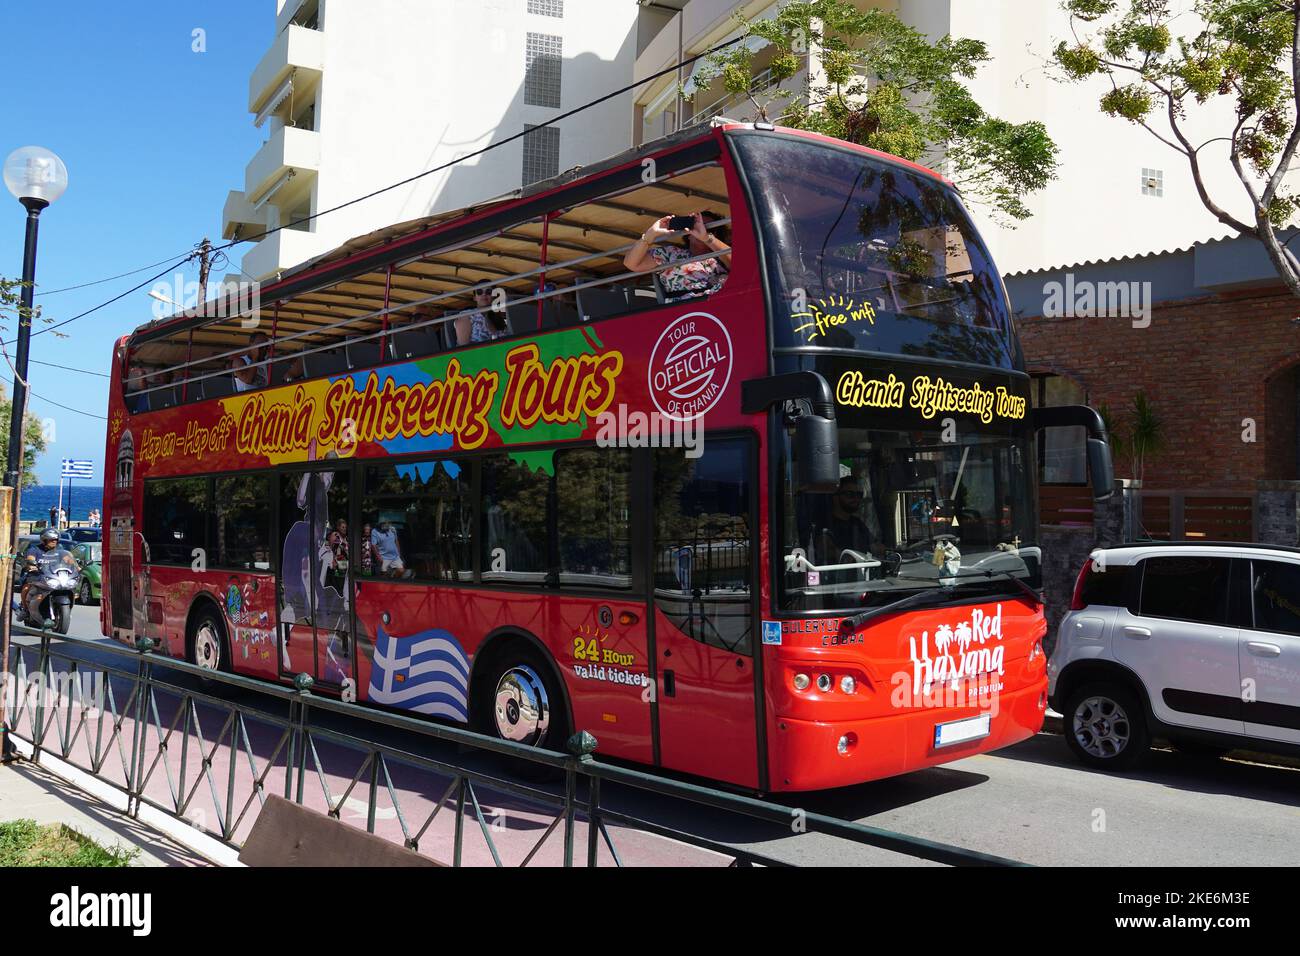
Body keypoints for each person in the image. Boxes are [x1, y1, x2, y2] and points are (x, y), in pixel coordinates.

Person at [624, 211, 731, 302]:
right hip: (683, 313)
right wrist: (650, 235)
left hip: (721, 305)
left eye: (709, 229)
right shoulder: (672, 253)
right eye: (695, 226)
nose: (701, 230)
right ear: (688, 233)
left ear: (717, 235)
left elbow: (740, 266)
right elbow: (631, 264)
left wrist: (707, 238)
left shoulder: (722, 254)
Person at [19, 528, 77, 624]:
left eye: (56, 540)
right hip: (37, 576)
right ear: (44, 540)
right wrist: (31, 565)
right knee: (26, 587)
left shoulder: (59, 551)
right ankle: (25, 609)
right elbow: (30, 558)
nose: (54, 542)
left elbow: (69, 561)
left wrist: (76, 567)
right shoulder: (34, 550)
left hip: (53, 577)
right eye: (51, 540)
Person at [821, 477, 873, 557]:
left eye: (859, 495)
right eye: (850, 494)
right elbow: (830, 553)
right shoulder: (825, 526)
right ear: (835, 496)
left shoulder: (857, 524)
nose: (856, 498)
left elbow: (875, 546)